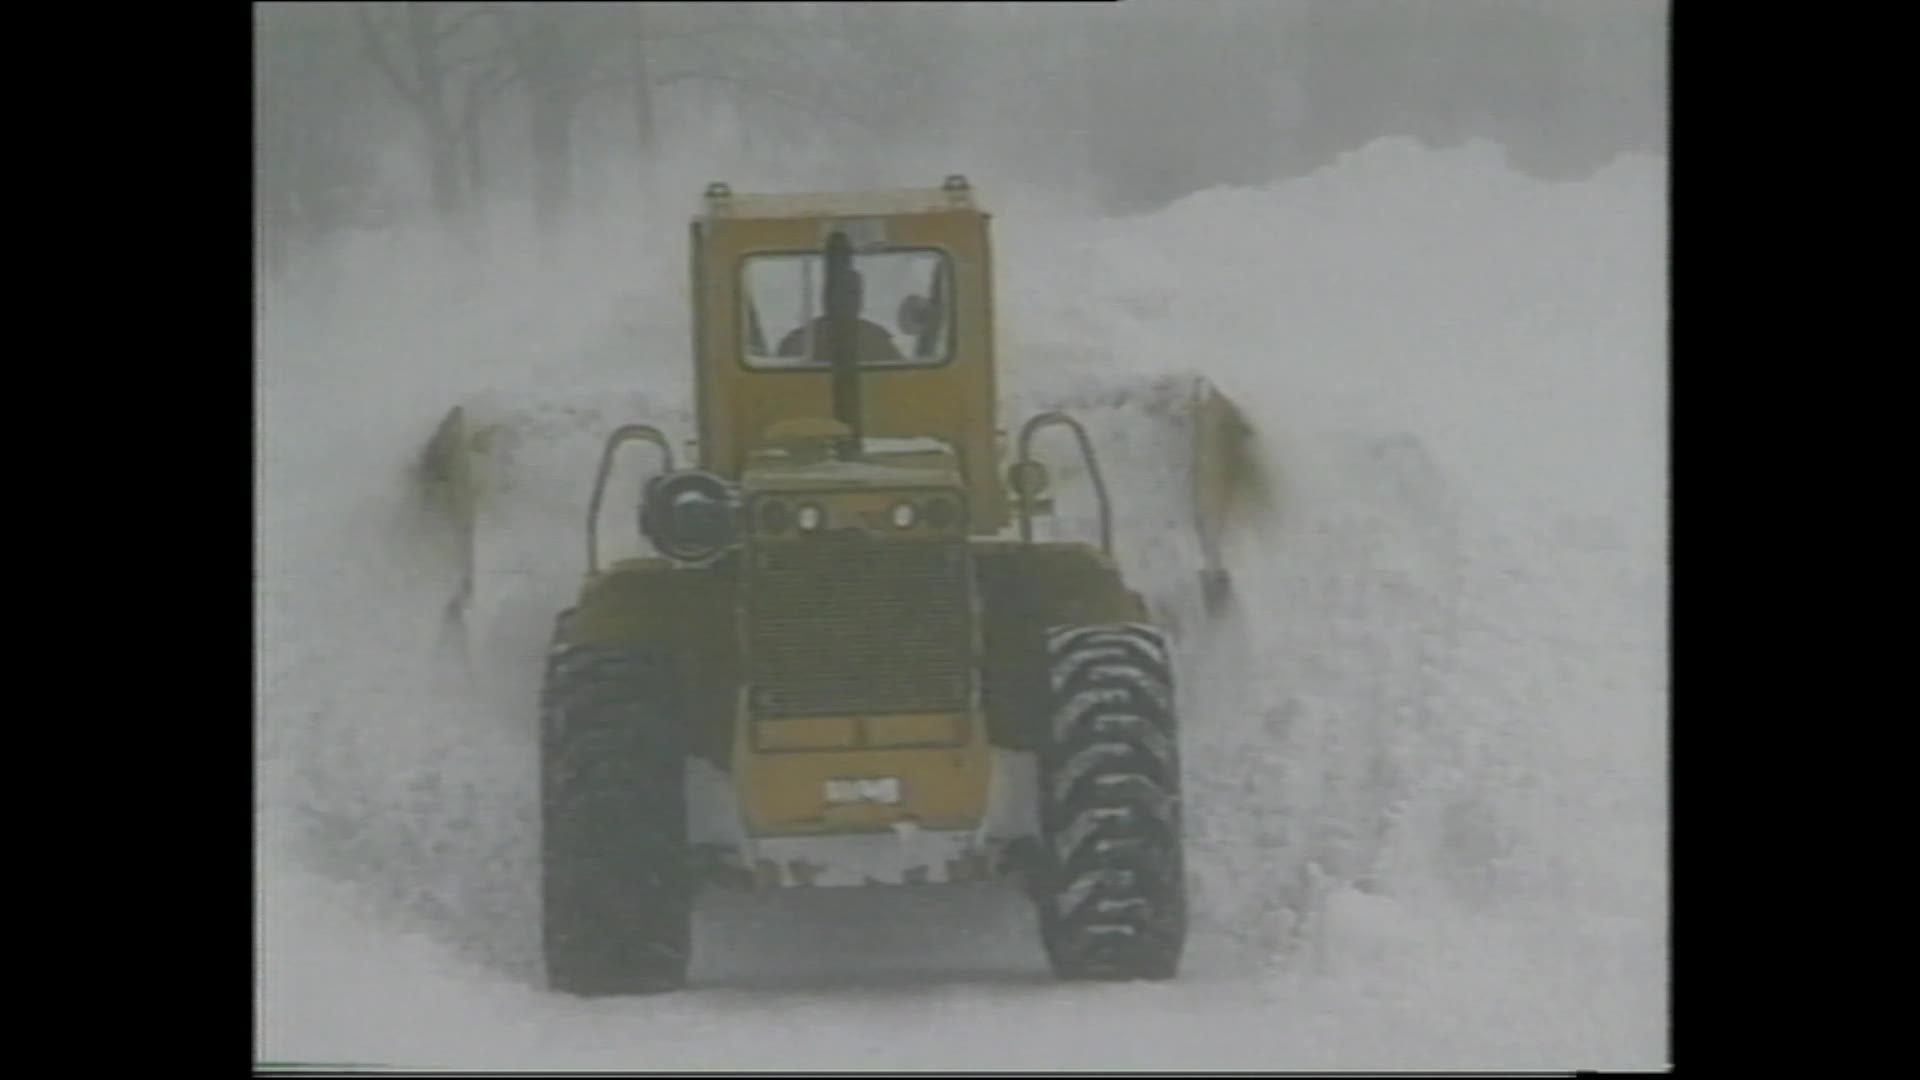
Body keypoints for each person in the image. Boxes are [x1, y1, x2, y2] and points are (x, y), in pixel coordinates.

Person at [775, 268, 902, 364]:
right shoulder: (799, 343)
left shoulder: (877, 340)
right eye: (839, 293)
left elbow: (901, 378)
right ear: (826, 297)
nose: (846, 300)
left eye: (853, 293)